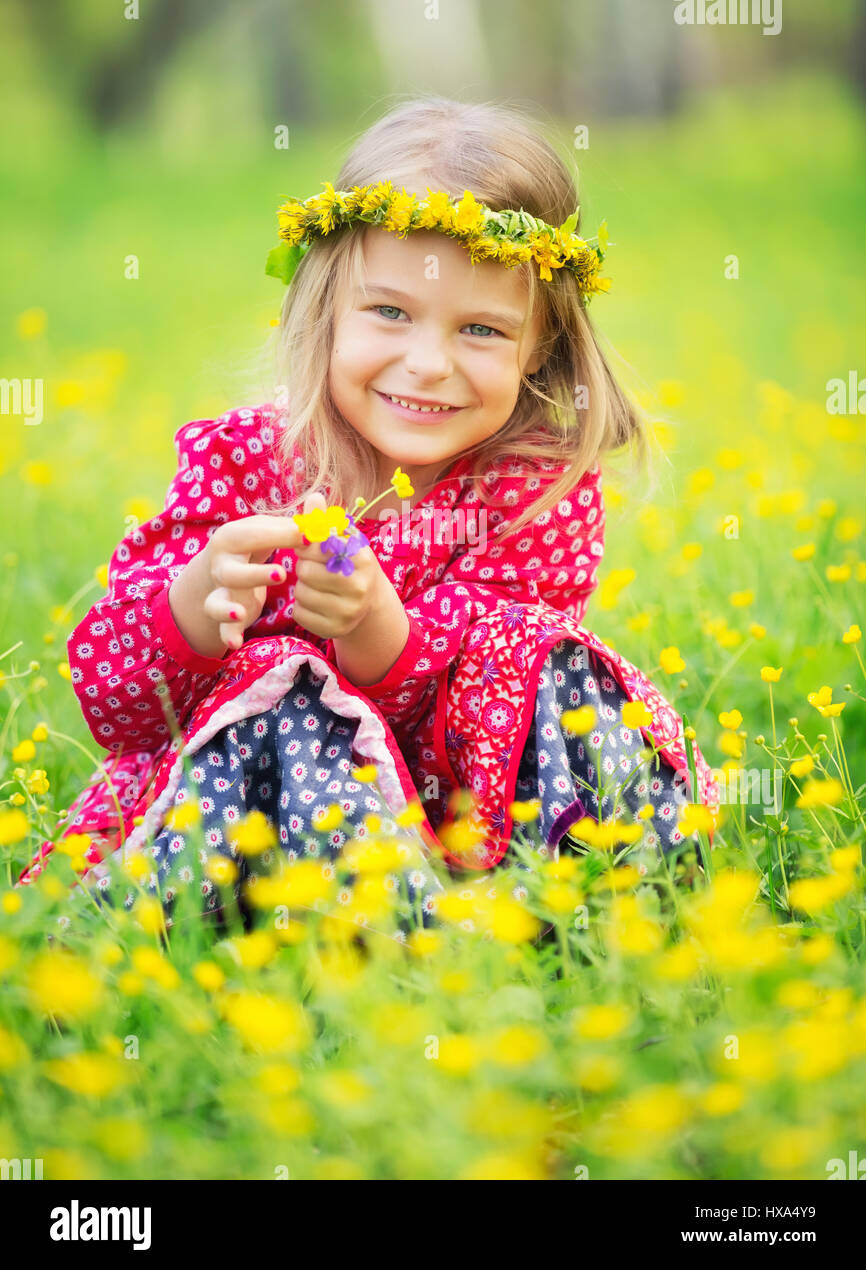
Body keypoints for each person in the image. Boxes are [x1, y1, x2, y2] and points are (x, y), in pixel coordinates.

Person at [17, 96, 719, 941]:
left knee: (551, 660)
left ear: (542, 345)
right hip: (256, 850)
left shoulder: (534, 492)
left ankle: (602, 922)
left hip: (474, 834)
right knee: (285, 679)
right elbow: (114, 705)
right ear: (326, 307)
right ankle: (333, 946)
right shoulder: (244, 464)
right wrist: (192, 608)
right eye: (390, 312)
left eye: (482, 329)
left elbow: (501, 702)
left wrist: (378, 633)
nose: (427, 365)